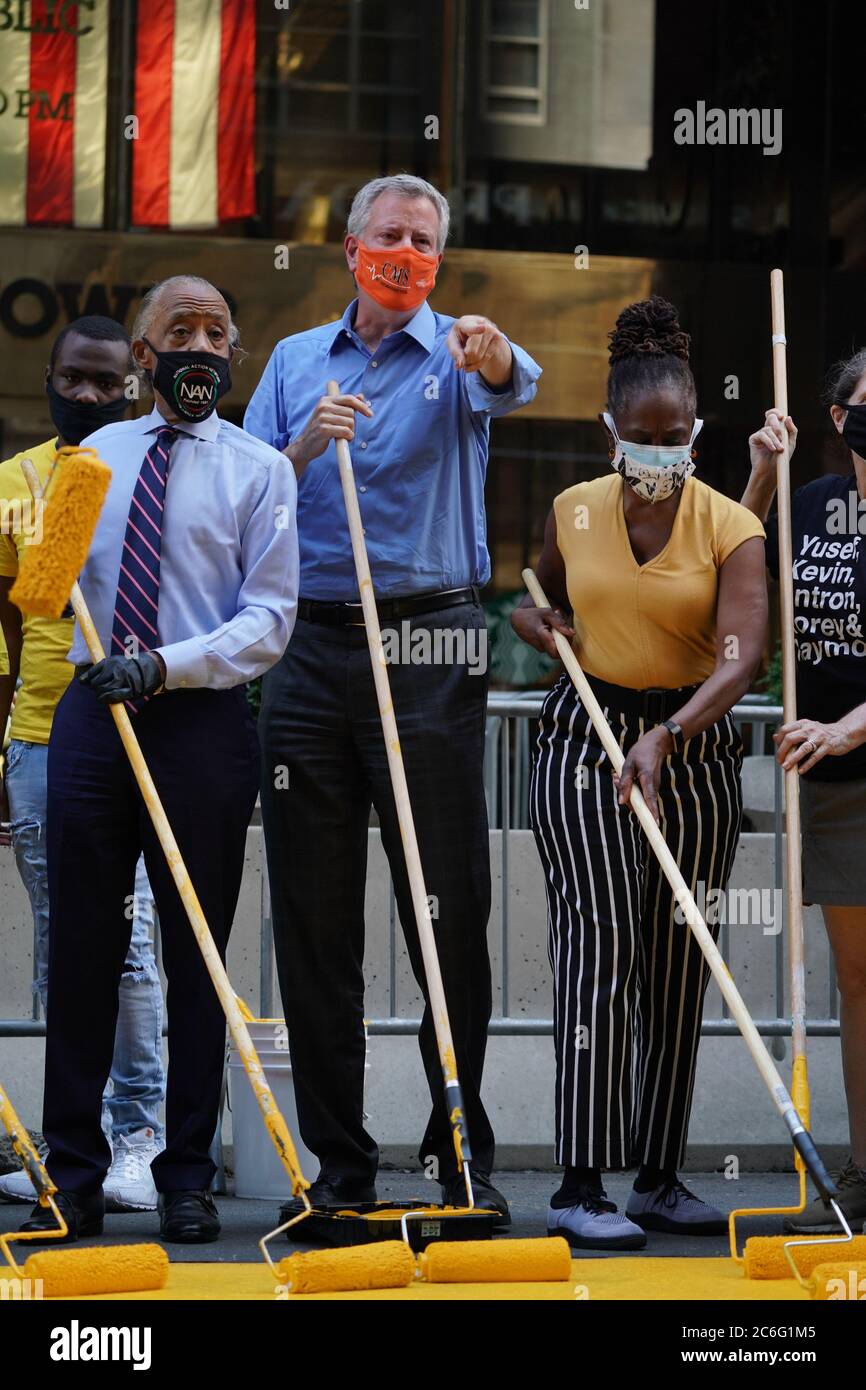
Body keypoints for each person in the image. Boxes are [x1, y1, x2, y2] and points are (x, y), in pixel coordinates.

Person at [244, 173, 541, 1224]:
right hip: (312, 645)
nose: (405, 252)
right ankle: (341, 1168)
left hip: (430, 636)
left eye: (423, 241)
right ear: (350, 249)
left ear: (438, 260)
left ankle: (457, 1152)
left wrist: (494, 352)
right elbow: (247, 504)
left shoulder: (457, 351)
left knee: (445, 904)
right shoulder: (289, 364)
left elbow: (514, 381)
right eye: (389, 235)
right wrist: (301, 448)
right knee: (316, 922)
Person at [18, 276, 298, 1246]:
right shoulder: (91, 458)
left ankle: (186, 1171)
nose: (200, 344)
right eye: (179, 329)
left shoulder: (262, 470)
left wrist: (167, 663)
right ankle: (75, 1173)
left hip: (200, 722)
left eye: (216, 330)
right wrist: (41, 580)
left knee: (195, 959)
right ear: (143, 356)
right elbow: (47, 592)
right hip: (96, 720)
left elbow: (268, 619)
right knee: (85, 951)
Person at [512, 297, 767, 1249]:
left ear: (698, 432)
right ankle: (580, 1182)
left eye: (676, 438)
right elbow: (537, 602)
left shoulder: (733, 521)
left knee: (676, 965)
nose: (661, 452)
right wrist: (534, 624)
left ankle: (658, 1177)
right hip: (586, 739)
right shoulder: (573, 508)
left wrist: (672, 736)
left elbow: (742, 655)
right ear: (610, 431)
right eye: (644, 437)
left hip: (692, 751)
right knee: (599, 944)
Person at [0, 316, 165, 1212]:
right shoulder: (17, 485)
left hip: (130, 732)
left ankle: (140, 1135)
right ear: (50, 379)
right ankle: (76, 1139)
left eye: (108, 381)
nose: (90, 396)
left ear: (132, 383)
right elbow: (7, 628)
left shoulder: (155, 469)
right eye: (75, 379)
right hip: (36, 741)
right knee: (67, 946)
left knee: (129, 945)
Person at [742, 351, 866, 1233]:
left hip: (847, 745)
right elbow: (724, 568)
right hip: (836, 785)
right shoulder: (814, 506)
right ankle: (863, 1172)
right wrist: (759, 476)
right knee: (857, 979)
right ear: (837, 415)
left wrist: (849, 726)